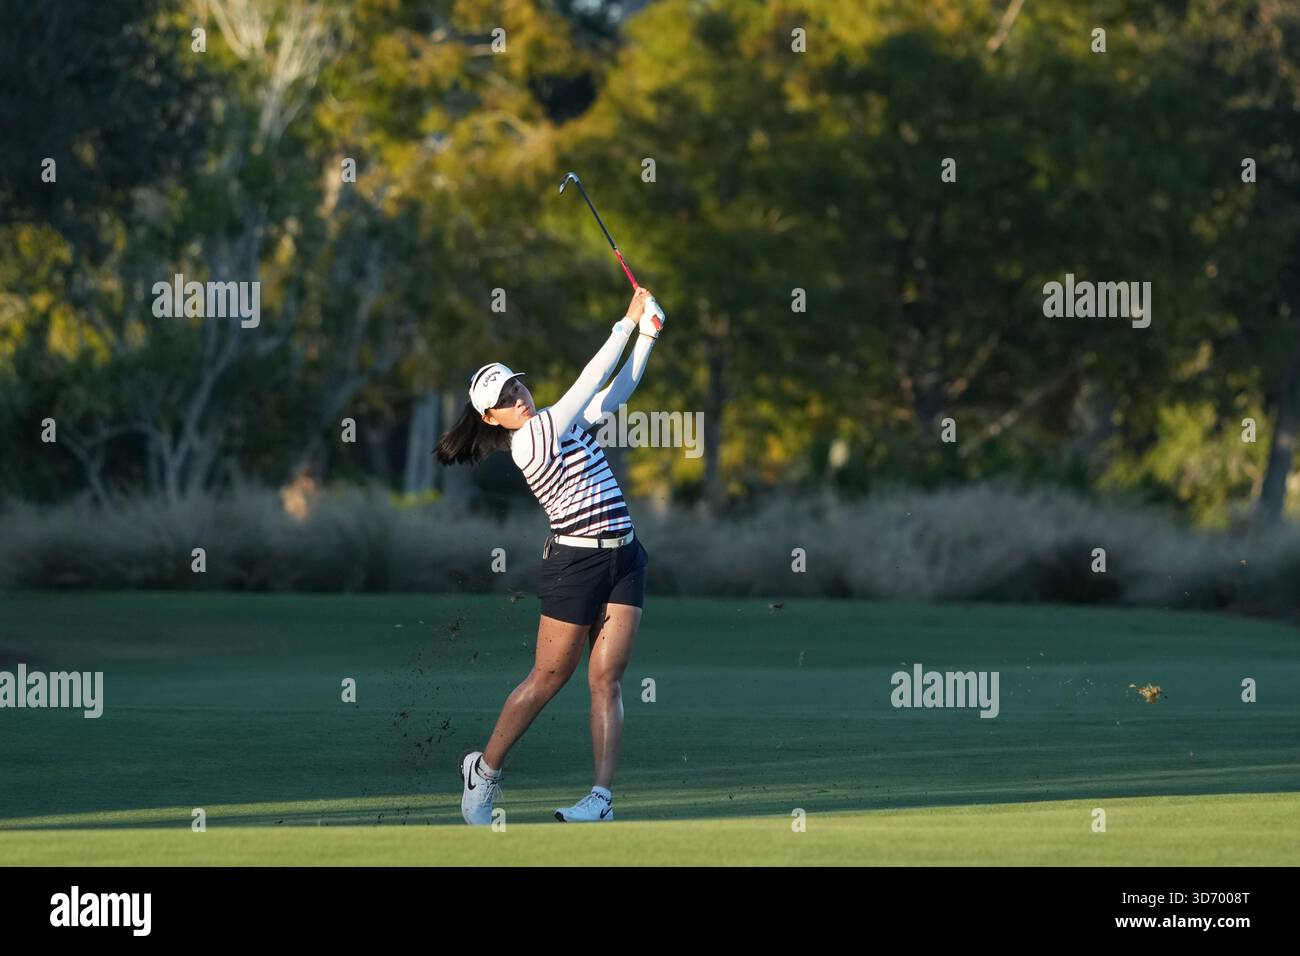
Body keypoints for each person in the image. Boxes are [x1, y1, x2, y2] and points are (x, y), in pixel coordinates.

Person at [434, 286, 665, 823]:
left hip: (625, 558)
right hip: (575, 565)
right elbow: (586, 384)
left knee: (607, 680)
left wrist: (648, 337)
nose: (518, 396)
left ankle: (601, 799)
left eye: (516, 384)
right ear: (491, 418)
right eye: (505, 397)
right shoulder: (529, 441)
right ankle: (484, 769)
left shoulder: (558, 425)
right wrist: (624, 324)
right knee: (549, 677)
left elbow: (613, 394)